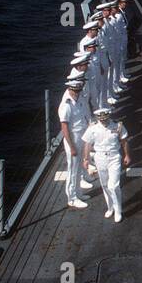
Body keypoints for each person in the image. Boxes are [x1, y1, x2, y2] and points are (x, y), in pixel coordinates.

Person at [81, 107, 130, 222]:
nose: (103, 121)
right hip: (100, 158)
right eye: (101, 119)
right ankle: (110, 207)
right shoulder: (92, 128)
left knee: (113, 185)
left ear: (108, 116)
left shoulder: (117, 126)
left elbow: (124, 140)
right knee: (104, 185)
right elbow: (87, 144)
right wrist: (86, 159)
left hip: (114, 157)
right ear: (98, 118)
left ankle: (118, 211)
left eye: (105, 118)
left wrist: (127, 155)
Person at [57, 77, 90, 209]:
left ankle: (78, 194)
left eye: (79, 90)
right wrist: (72, 147)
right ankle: (71, 198)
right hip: (73, 138)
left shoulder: (79, 98)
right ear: (70, 89)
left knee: (79, 168)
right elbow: (64, 128)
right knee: (73, 170)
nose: (77, 93)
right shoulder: (66, 105)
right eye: (75, 90)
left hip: (81, 136)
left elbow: (84, 116)